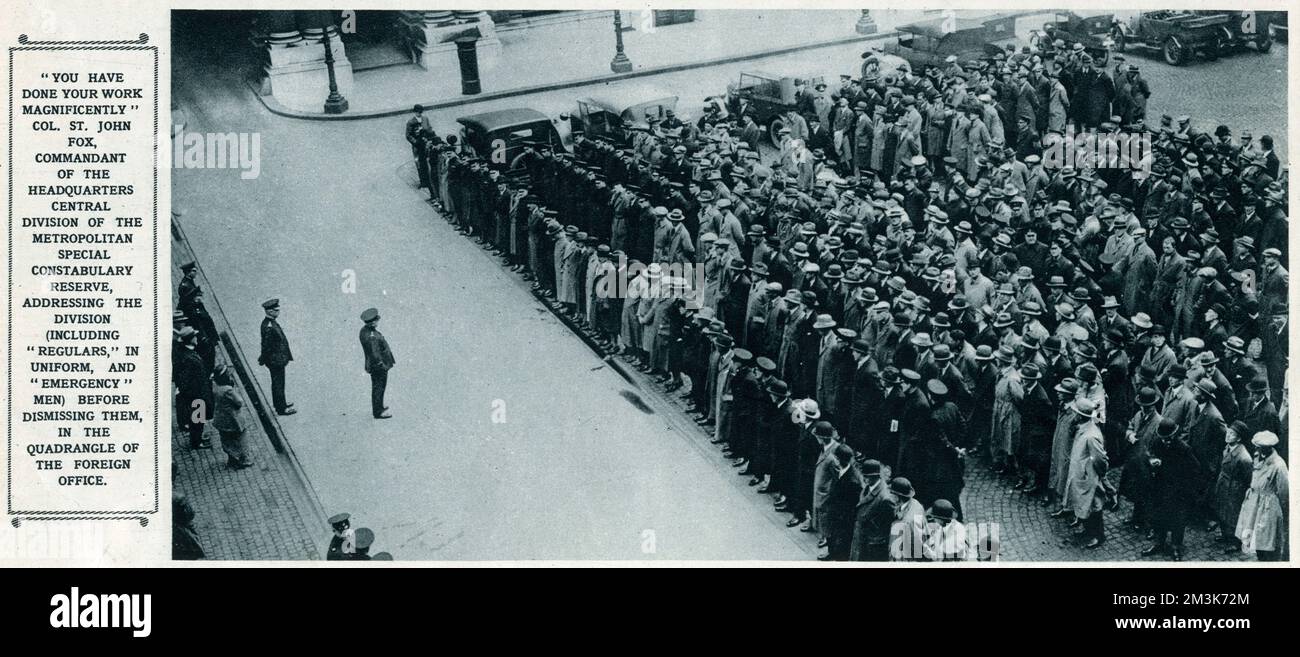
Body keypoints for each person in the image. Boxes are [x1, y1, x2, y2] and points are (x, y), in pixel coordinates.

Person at [1143, 418, 1200, 560]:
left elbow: (1196, 469)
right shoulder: (1157, 443)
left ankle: (1176, 546)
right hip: (1160, 489)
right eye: (1163, 438)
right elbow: (1150, 456)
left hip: (1178, 492)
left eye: (1167, 438)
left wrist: (1184, 486)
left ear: (1174, 435)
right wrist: (1152, 463)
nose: (1165, 441)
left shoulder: (1183, 448)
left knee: (1177, 521)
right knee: (1158, 517)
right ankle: (1159, 542)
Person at [1235, 431, 1289, 561]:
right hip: (1254, 503)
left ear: (1269, 448)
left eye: (1260, 447)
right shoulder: (1257, 456)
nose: (1256, 449)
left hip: (1268, 507)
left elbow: (1284, 492)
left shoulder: (1278, 465)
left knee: (1266, 541)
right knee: (1255, 539)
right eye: (1256, 447)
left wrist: (1284, 513)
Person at [1064, 398, 1107, 549]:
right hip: (1081, 475)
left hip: (1088, 477)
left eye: (1076, 413)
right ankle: (1088, 530)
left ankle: (1098, 535)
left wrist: (1097, 475)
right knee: (1084, 504)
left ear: (1080, 416)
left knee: (1094, 505)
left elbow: (1100, 459)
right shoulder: (1083, 428)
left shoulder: (1091, 435)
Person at [1213, 421, 1254, 552]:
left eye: (1232, 434)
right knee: (1222, 512)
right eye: (1228, 432)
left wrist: (1240, 491)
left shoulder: (1244, 457)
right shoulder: (1228, 447)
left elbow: (1248, 479)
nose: (1228, 435)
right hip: (1224, 485)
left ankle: (1236, 542)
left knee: (1233, 516)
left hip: (1235, 490)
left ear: (1239, 438)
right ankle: (1226, 536)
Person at [820, 444, 863, 561]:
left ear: (839, 460)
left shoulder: (853, 480)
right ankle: (832, 553)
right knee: (832, 536)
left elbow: (852, 504)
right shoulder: (840, 470)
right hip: (834, 511)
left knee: (843, 543)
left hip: (843, 518)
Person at [258, 298, 296, 416]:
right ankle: (281, 408)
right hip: (275, 361)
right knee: (278, 384)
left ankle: (282, 403)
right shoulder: (269, 326)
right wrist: (263, 359)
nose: (278, 312)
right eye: (275, 310)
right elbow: (266, 346)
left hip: (277, 359)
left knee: (279, 383)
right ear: (269, 311)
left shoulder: (271, 322)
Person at [849, 459, 893, 561]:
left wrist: (875, 540)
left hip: (871, 545)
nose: (864, 479)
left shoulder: (885, 497)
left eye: (867, 476)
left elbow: (887, 525)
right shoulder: (868, 488)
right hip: (861, 538)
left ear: (876, 476)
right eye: (864, 475)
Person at [211, 365, 252, 469]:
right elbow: (239, 402)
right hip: (233, 420)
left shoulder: (215, 387)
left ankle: (232, 459)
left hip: (221, 419)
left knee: (226, 440)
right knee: (241, 438)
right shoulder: (228, 390)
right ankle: (244, 460)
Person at [358, 307, 395, 419]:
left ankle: (379, 407)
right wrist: (382, 365)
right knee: (379, 387)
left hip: (375, 365)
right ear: (373, 322)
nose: (378, 321)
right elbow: (375, 354)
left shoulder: (365, 331)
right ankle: (378, 412)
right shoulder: (371, 336)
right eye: (376, 320)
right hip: (378, 366)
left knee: (378, 387)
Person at [889, 477, 927, 561]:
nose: (889, 496)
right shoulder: (915, 503)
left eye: (891, 494)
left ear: (897, 497)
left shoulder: (908, 520)